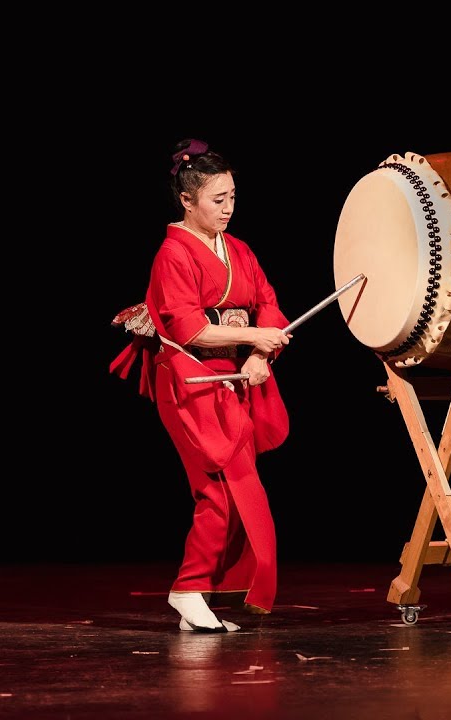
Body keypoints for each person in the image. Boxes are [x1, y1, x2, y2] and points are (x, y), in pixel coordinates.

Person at [110, 139, 292, 633]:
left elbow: (269, 304)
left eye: (233, 196)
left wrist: (258, 355)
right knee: (219, 488)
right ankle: (189, 589)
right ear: (187, 201)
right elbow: (191, 330)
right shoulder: (172, 255)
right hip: (190, 379)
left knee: (233, 488)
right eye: (218, 200)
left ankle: (197, 589)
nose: (229, 209)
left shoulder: (239, 249)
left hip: (234, 376)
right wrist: (257, 336)